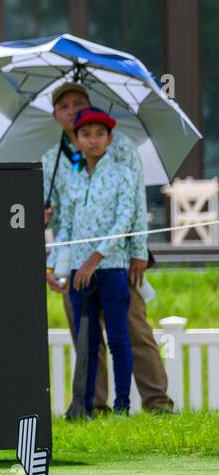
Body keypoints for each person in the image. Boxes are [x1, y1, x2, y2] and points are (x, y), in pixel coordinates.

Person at [41, 81, 172, 415]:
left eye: (78, 103)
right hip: (74, 263)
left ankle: (157, 402)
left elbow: (133, 202)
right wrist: (53, 257)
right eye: (64, 106)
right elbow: (58, 218)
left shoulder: (120, 147)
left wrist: (139, 250)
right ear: (55, 115)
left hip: (117, 258)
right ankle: (91, 405)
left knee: (133, 330)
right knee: (85, 336)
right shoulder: (51, 159)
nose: (72, 111)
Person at [52, 107, 136, 415]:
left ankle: (122, 405)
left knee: (117, 338)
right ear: (75, 139)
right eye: (86, 134)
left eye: (100, 134)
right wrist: (55, 267)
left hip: (111, 269)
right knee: (86, 343)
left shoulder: (122, 175)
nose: (93, 141)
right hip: (78, 274)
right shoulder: (74, 180)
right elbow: (66, 227)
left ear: (110, 139)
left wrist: (93, 260)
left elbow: (123, 222)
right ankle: (83, 407)